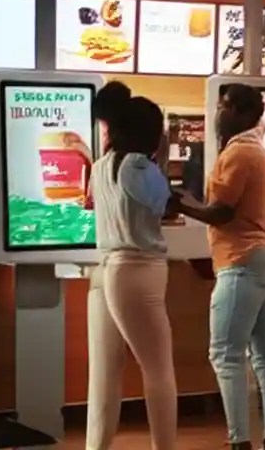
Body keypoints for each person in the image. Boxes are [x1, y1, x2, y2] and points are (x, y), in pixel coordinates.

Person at [176, 84, 265, 450]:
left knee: (225, 354)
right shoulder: (260, 151)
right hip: (262, 260)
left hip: (239, 262)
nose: (218, 113)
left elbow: (221, 211)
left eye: (223, 106)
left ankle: (239, 442)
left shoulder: (238, 152)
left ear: (239, 112)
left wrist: (183, 204)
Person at [85, 93, 178, 450]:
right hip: (139, 270)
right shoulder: (139, 166)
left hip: (106, 269)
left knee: (105, 374)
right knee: (157, 368)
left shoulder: (100, 165)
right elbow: (164, 203)